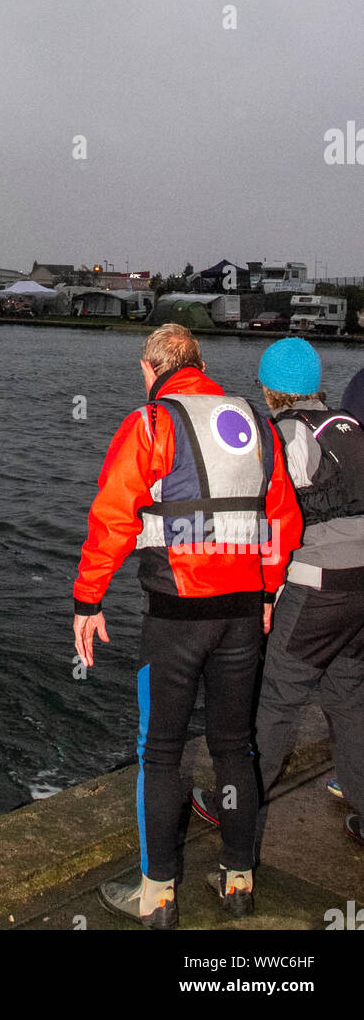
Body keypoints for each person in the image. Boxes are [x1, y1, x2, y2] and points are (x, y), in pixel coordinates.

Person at [73, 324, 301, 928]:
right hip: (242, 614)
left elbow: (113, 517)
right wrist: (268, 590)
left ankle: (157, 896)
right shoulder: (256, 423)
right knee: (235, 746)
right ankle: (238, 880)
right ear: (199, 364)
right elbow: (281, 516)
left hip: (176, 616)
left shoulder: (152, 423)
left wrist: (88, 600)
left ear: (150, 369)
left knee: (161, 755)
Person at [247, 340, 364, 846]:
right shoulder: (349, 426)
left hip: (319, 584)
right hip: (361, 586)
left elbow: (270, 514)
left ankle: (238, 806)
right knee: (349, 696)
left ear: (269, 388)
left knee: (276, 697)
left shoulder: (286, 434)